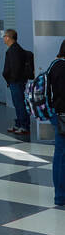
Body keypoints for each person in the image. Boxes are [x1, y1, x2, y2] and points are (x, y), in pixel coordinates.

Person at [2, 28, 32, 138]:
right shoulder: (15, 49)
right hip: (16, 81)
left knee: (19, 104)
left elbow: (15, 67)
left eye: (4, 36)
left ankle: (24, 126)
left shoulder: (14, 50)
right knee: (17, 103)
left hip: (16, 81)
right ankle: (19, 123)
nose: (3, 38)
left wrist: (11, 79)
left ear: (9, 37)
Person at [49, 40, 65, 207]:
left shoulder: (54, 65)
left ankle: (60, 196)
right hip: (63, 115)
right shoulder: (63, 67)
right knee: (61, 155)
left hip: (56, 113)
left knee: (60, 155)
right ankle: (60, 196)